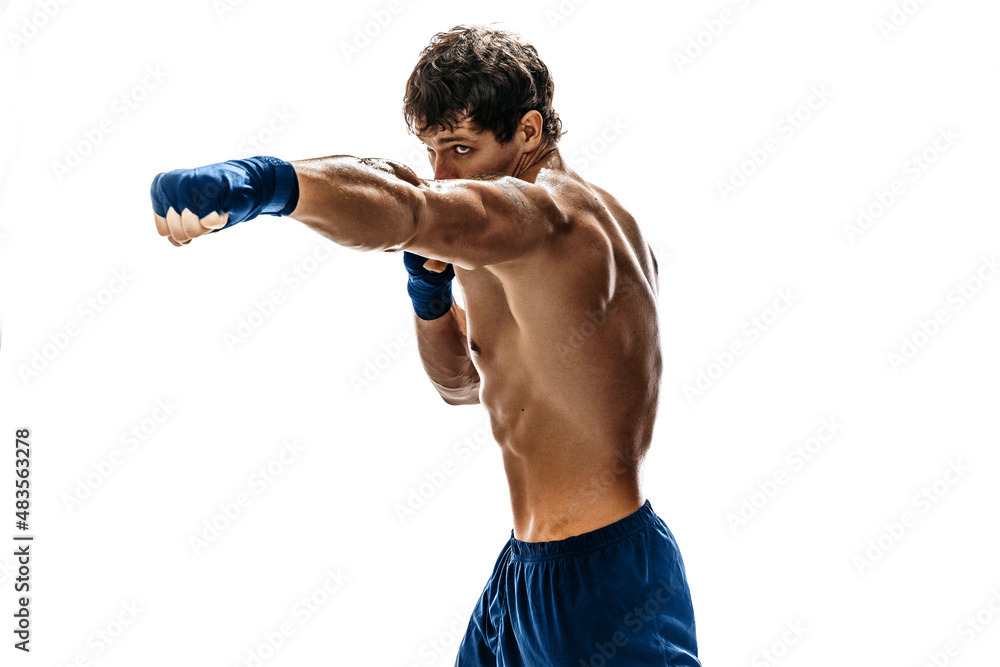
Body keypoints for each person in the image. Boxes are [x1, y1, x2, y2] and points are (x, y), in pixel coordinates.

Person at [150, 24, 700, 667]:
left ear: (528, 132)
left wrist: (264, 184)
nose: (443, 174)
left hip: (602, 583)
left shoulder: (545, 217)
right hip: (526, 571)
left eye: (461, 148)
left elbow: (410, 209)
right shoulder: (515, 242)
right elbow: (463, 385)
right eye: (432, 151)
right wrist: (430, 297)